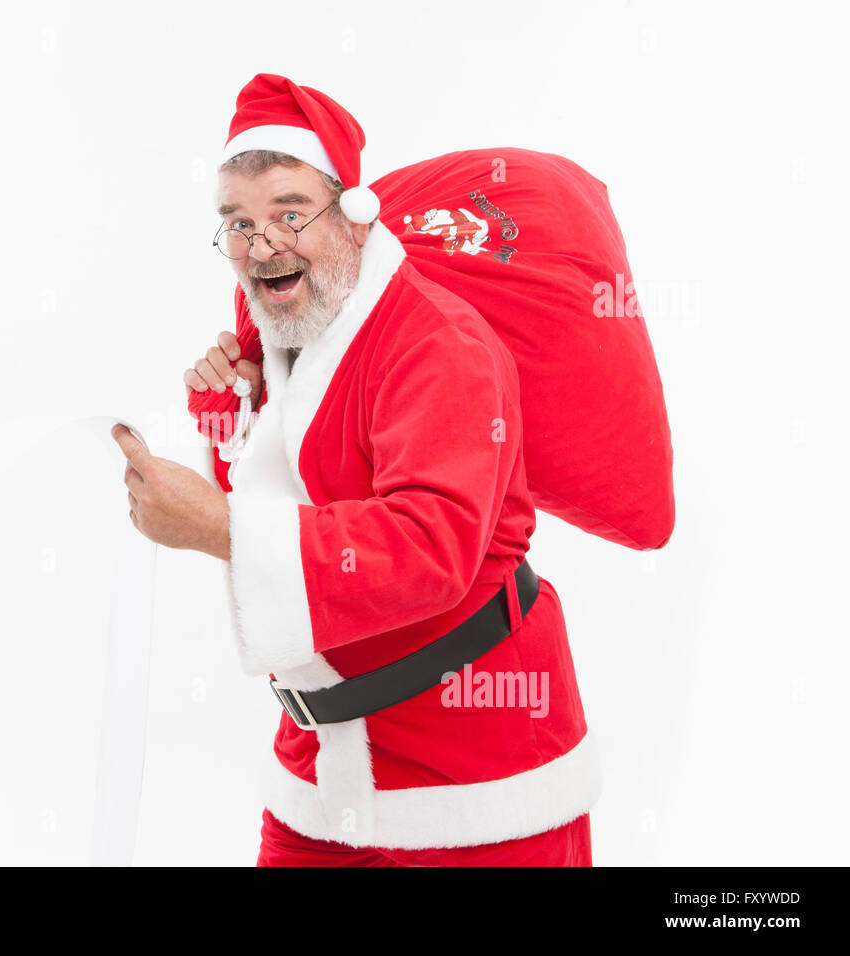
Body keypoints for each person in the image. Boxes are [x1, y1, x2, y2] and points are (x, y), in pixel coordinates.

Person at [111, 74, 600, 866]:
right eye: (237, 221)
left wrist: (218, 528)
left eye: (289, 212)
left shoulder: (440, 347)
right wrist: (235, 414)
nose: (260, 242)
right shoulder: (294, 338)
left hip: (475, 778)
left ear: (355, 215)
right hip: (325, 767)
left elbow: (428, 545)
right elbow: (312, 483)